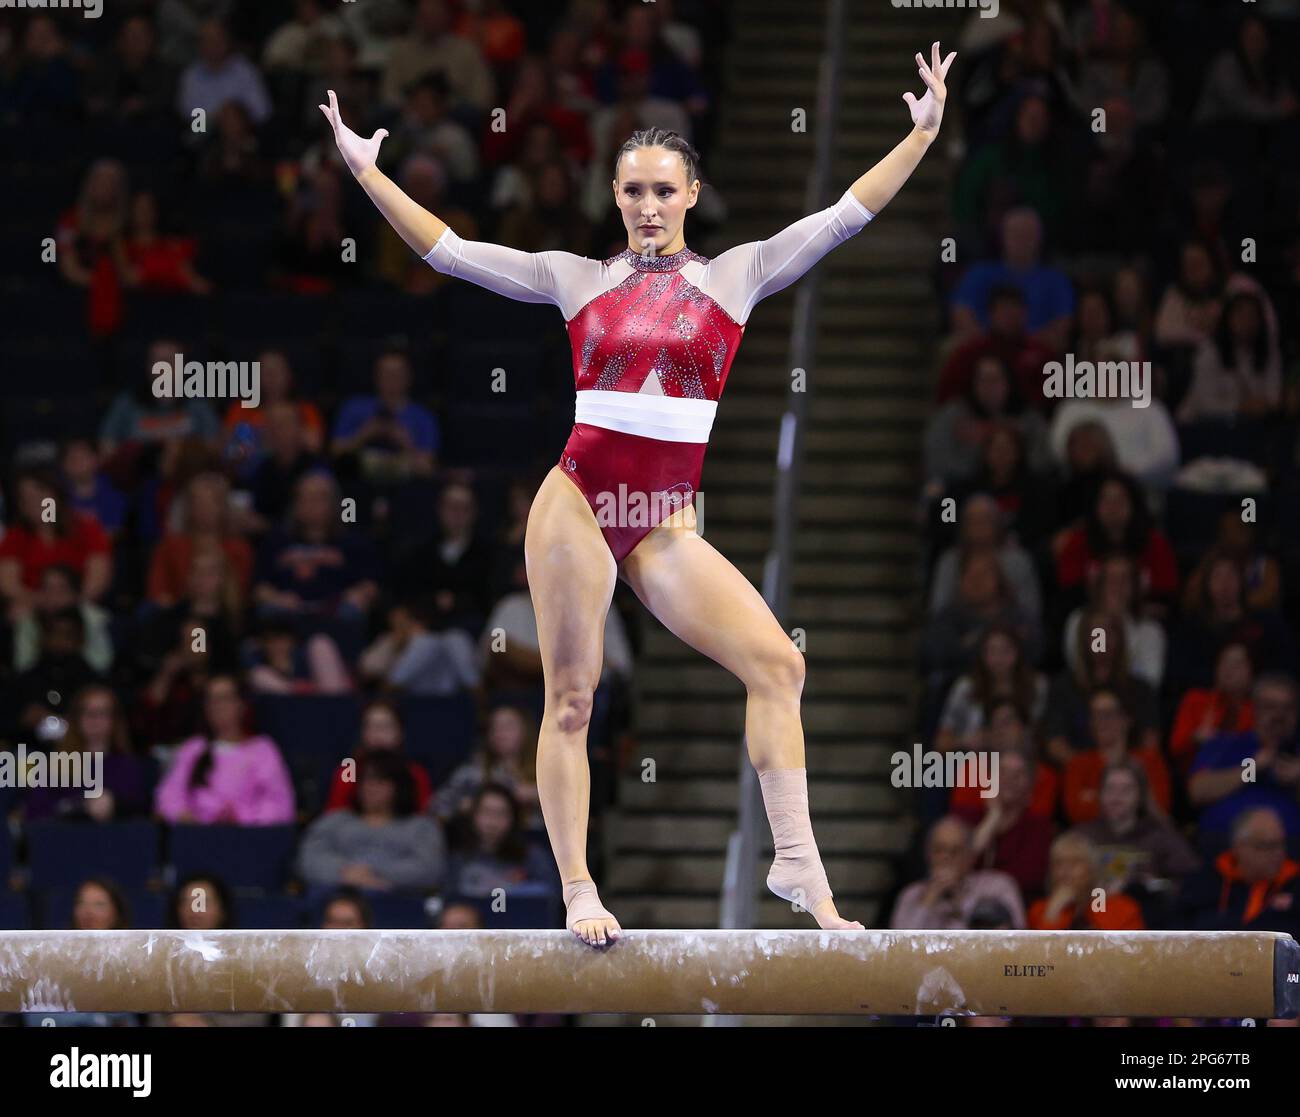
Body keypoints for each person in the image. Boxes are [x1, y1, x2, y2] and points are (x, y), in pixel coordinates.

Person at [321, 39, 958, 944]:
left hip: (662, 522)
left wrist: (922, 135)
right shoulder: (573, 278)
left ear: (692, 194)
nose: (648, 205)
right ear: (613, 198)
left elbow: (845, 215)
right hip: (579, 500)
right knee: (572, 699)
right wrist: (369, 174)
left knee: (781, 665)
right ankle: (580, 886)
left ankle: (801, 868)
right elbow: (452, 254)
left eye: (664, 189)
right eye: (632, 190)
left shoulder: (736, 275)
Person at [154, 675, 296, 825]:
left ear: (241, 704)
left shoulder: (262, 749)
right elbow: (168, 795)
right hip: (198, 837)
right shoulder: (194, 748)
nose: (217, 706)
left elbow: (281, 804)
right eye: (211, 700)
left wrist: (241, 816)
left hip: (249, 838)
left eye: (224, 698)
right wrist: (185, 817)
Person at [298, 751, 446, 891]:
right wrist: (343, 872)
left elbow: (429, 869)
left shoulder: (422, 827)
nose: (370, 788)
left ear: (399, 787)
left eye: (380, 782)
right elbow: (307, 860)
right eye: (365, 780)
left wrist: (373, 873)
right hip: (337, 899)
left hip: (398, 902)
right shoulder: (334, 821)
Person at [1188, 673, 1300, 845]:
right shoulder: (1225, 744)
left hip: (1290, 847)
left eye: (1287, 708)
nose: (1279, 715)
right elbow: (1198, 791)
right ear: (1255, 709)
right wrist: (1251, 769)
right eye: (1270, 707)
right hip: (1224, 844)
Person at [22, 685, 149, 824]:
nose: (95, 720)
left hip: (114, 841)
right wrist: (79, 807)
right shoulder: (56, 765)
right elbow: (35, 814)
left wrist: (116, 805)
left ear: (114, 720)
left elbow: (142, 812)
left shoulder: (128, 766)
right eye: (88, 712)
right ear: (76, 718)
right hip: (65, 840)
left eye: (102, 713)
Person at [1176, 807, 1300, 936]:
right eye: (1266, 845)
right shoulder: (1204, 884)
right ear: (1238, 846)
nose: (1278, 853)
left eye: (1280, 844)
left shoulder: (1295, 884)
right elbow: (1179, 932)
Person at [889, 816, 1026, 929]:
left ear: (970, 856)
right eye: (939, 850)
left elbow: (1019, 934)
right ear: (927, 854)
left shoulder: (998, 886)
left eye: (955, 851)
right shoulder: (912, 894)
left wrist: (960, 900)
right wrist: (929, 900)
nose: (945, 857)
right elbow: (899, 945)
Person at [1062, 688, 1171, 825]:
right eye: (1096, 715)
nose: (1101, 721)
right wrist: (1131, 799)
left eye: (1108, 714)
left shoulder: (1150, 760)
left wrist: (1094, 797)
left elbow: (1160, 812)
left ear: (1127, 719)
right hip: (1094, 841)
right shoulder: (1078, 763)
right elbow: (1076, 813)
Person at [324, 699, 433, 813]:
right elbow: (333, 817)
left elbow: (424, 817)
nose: (378, 734)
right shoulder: (348, 773)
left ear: (400, 733)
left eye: (386, 727)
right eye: (371, 726)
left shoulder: (415, 774)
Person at [1026, 832, 1145, 930]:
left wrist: (1098, 896)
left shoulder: (1121, 908)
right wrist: (1053, 912)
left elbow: (1111, 945)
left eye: (1075, 862)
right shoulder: (1039, 911)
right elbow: (1040, 955)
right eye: (1058, 863)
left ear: (1093, 869)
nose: (1065, 871)